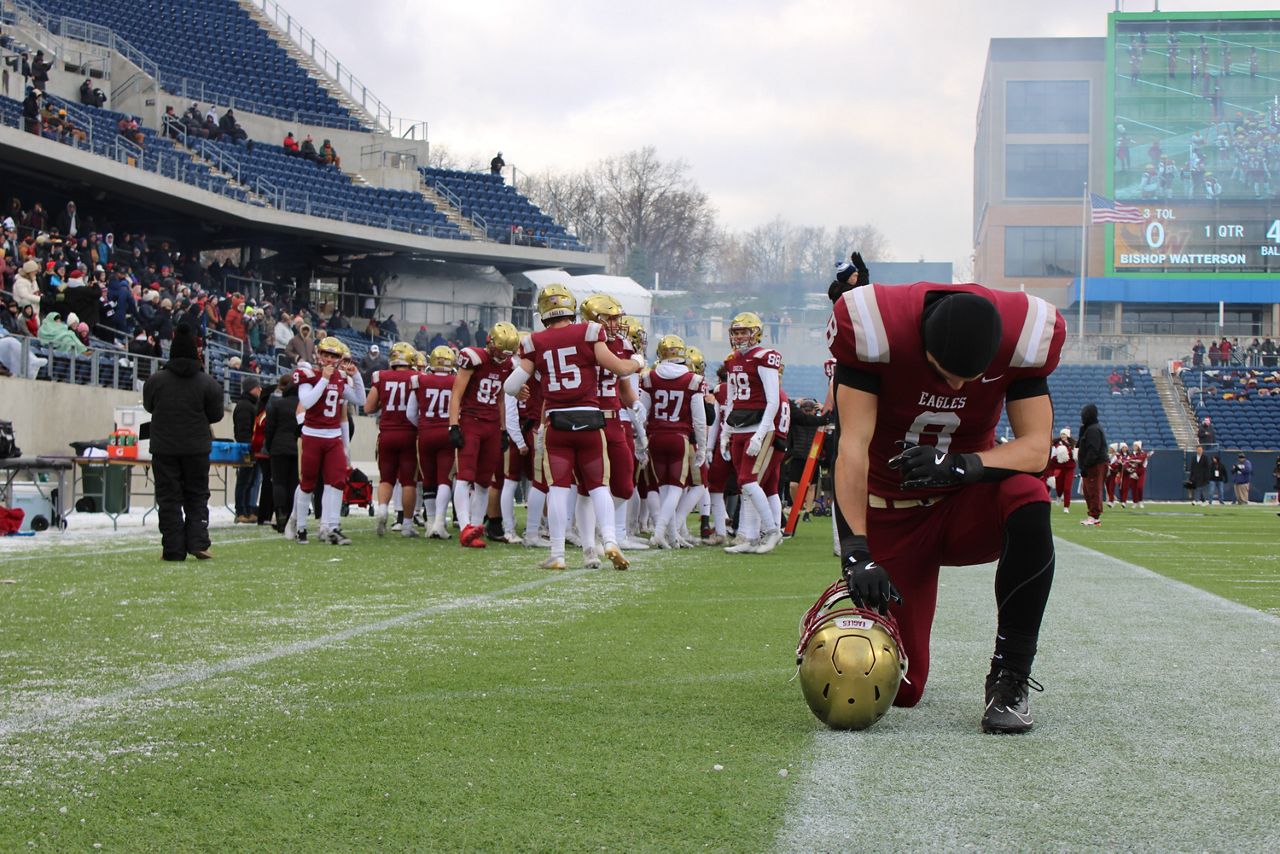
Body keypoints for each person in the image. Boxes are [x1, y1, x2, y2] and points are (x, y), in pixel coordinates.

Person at [827, 274, 1065, 733]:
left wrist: (960, 465)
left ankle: (1010, 675)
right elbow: (851, 447)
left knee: (1028, 494)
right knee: (899, 687)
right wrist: (856, 550)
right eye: (943, 372)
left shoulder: (1024, 335)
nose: (956, 386)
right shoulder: (876, 329)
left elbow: (1037, 449)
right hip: (891, 514)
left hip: (963, 504)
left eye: (968, 377)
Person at [503, 284, 640, 570]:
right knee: (599, 486)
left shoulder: (535, 341)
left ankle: (557, 554)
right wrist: (637, 360)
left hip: (557, 423)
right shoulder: (589, 333)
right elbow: (620, 368)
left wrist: (520, 392)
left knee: (558, 488)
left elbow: (511, 385)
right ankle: (610, 540)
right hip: (590, 420)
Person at [142, 324, 224, 561]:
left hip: (164, 447)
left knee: (169, 498)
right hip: (196, 447)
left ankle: (173, 549)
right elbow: (216, 415)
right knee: (197, 495)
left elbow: (149, 406)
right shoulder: (207, 383)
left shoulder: (156, 381)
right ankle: (198, 542)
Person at [288, 337, 365, 545]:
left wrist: (356, 376)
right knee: (307, 483)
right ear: (318, 355)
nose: (329, 359)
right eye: (326, 355)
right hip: (312, 435)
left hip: (333, 437)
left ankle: (332, 526)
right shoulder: (308, 374)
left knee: (337, 481)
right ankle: (301, 527)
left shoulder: (340, 378)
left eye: (334, 356)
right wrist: (323, 379)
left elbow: (360, 400)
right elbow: (307, 402)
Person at [720, 312, 784, 555]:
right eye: (736, 332)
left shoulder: (764, 357)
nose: (739, 337)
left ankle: (772, 530)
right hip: (738, 426)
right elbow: (731, 399)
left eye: (743, 332)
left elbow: (773, 400)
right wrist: (725, 432)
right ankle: (749, 536)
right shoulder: (732, 360)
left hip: (758, 427)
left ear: (755, 333)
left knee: (748, 480)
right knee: (742, 484)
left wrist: (760, 435)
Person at [365, 342, 421, 538]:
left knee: (386, 479)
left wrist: (384, 403)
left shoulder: (381, 376)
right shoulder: (417, 377)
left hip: (387, 433)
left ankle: (382, 510)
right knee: (408, 482)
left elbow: (368, 407)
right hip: (409, 434)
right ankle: (407, 525)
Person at [262, 374, 300, 533]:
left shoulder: (277, 404)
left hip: (278, 447)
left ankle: (279, 514)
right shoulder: (303, 405)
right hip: (297, 447)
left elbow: (269, 428)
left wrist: (269, 446)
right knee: (293, 484)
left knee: (278, 483)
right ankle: (291, 515)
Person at [232, 377, 262, 523]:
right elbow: (243, 431)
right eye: (257, 387)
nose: (260, 389)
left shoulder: (252, 405)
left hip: (253, 448)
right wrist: (249, 445)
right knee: (244, 480)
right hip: (247, 449)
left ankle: (249, 510)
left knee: (252, 480)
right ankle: (241, 511)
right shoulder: (245, 406)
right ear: (251, 389)